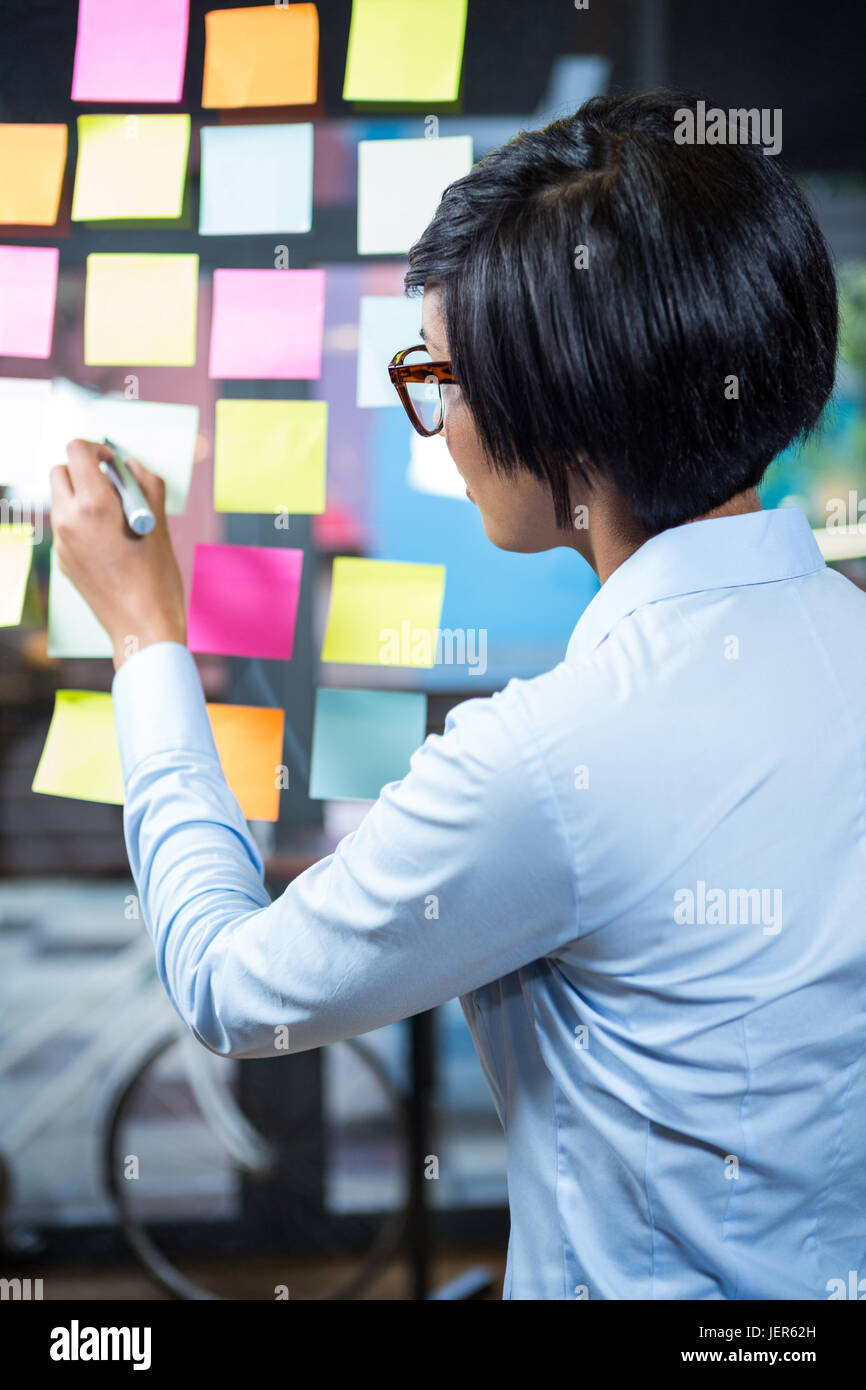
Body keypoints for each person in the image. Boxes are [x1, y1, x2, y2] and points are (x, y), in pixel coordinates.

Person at [50, 88, 864, 1301]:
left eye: (439, 376)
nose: (435, 427)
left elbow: (231, 987)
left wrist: (145, 636)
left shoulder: (543, 763)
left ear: (559, 400)